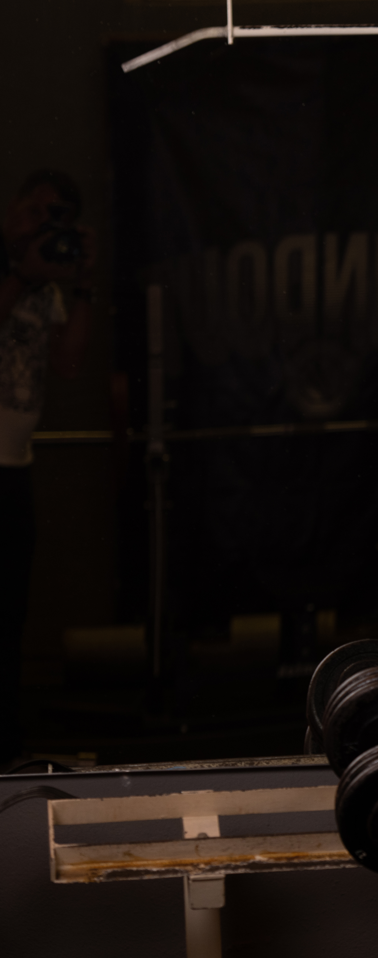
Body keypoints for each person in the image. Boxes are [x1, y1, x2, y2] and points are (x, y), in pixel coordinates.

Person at [0, 170, 97, 766]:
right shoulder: (21, 271)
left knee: (11, 610)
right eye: (35, 211)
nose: (42, 224)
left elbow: (68, 361)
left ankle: (6, 746)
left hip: (15, 463)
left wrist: (79, 282)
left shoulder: (47, 278)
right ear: (13, 206)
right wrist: (23, 273)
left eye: (54, 216)